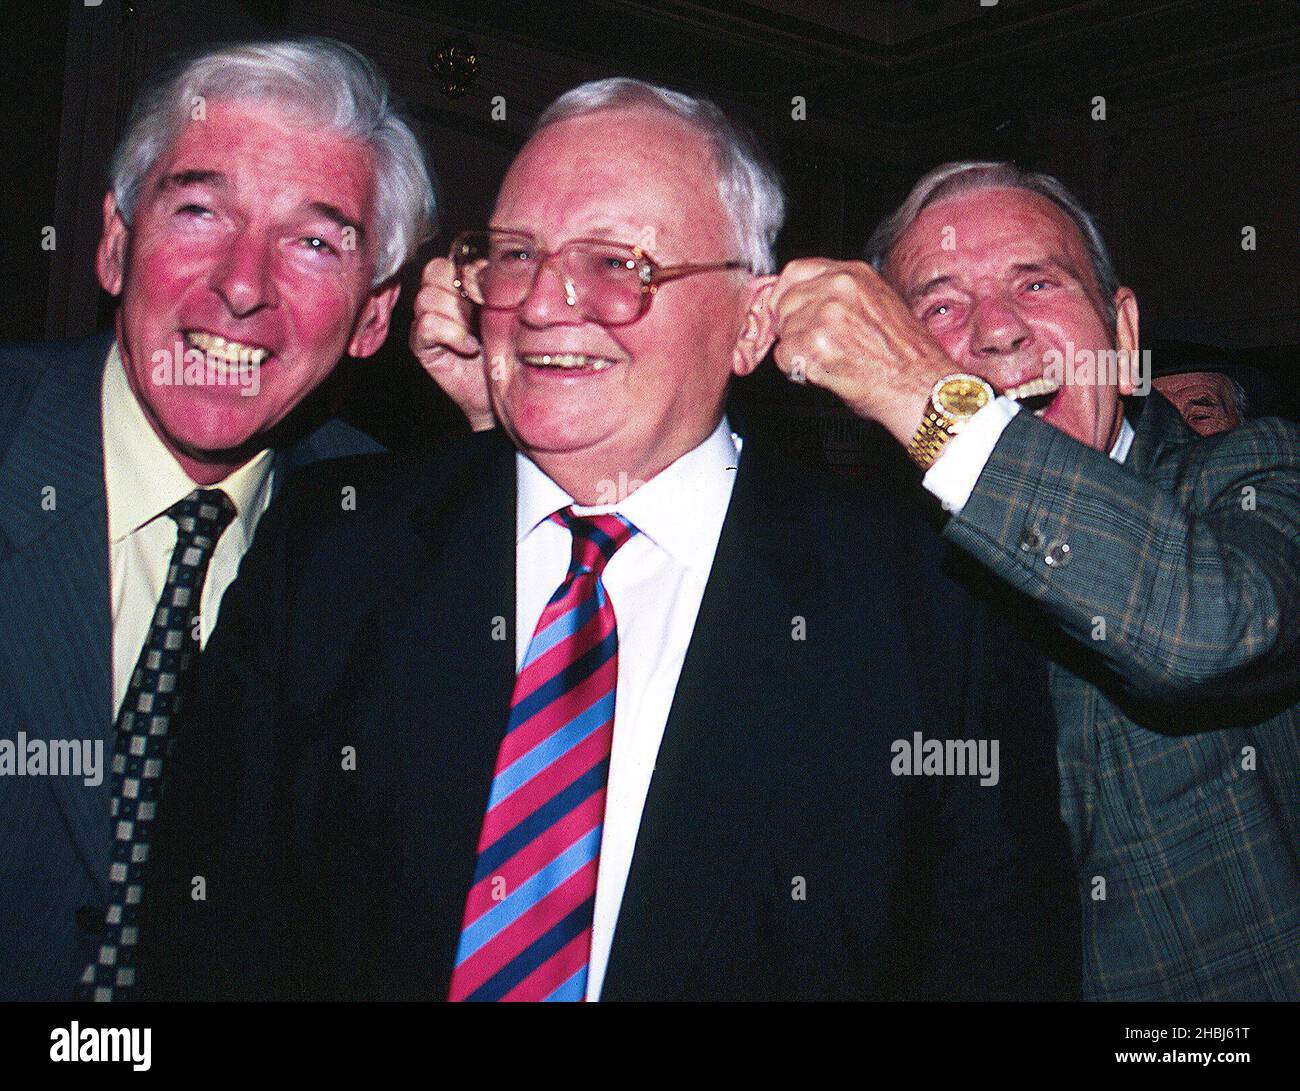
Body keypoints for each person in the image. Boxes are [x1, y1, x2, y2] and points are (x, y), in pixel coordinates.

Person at [141, 82, 1077, 1002]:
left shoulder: (929, 602)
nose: (544, 304)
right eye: (516, 255)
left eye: (620, 262)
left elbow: (993, 963)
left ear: (751, 324)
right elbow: (206, 935)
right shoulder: (332, 541)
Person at [763, 160, 1300, 1001]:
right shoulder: (872, 581)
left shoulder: (1252, 476)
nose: (997, 332)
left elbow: (1216, 627)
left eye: (1037, 282)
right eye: (939, 305)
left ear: (1124, 337)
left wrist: (929, 396)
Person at [0, 37, 437, 1001]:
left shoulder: (403, 537)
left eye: (316, 241)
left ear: (373, 318)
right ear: (114, 243)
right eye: (199, 210)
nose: (243, 284)